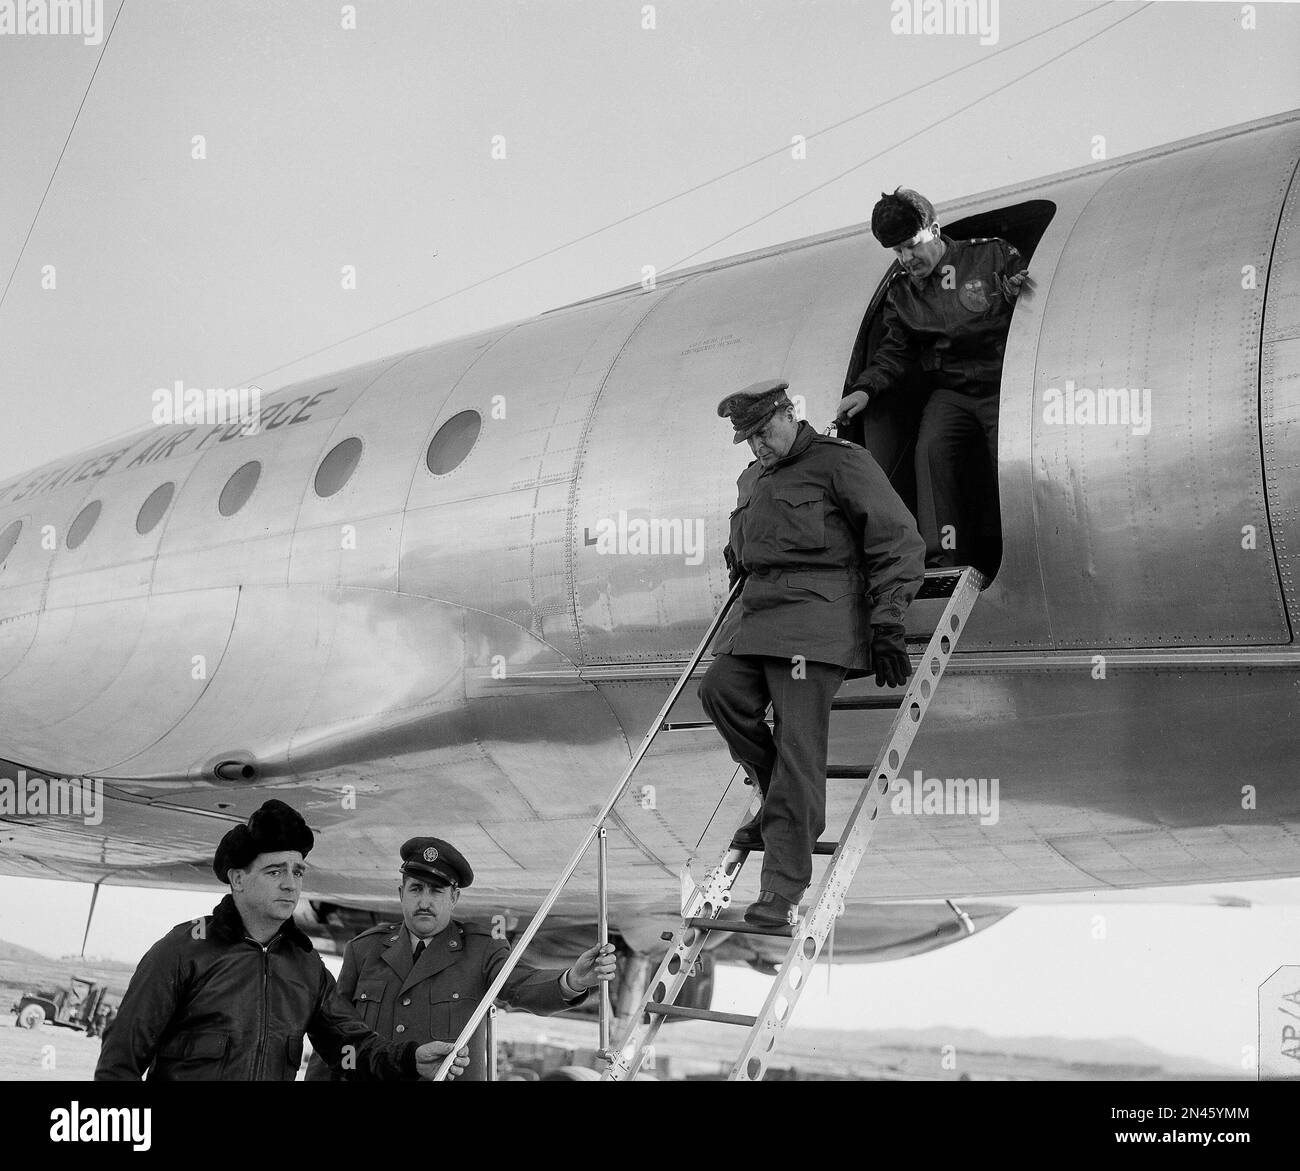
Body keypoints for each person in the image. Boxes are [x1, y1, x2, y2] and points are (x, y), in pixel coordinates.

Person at [703, 381, 925, 928]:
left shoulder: (841, 463)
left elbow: (897, 540)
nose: (757, 446)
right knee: (719, 693)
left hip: (816, 625)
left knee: (800, 750)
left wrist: (889, 622)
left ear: (788, 414)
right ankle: (780, 799)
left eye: (762, 432)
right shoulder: (751, 479)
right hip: (756, 621)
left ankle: (780, 891)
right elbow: (743, 555)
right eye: (747, 439)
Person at [95, 799, 469, 1081]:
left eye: (298, 871)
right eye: (275, 871)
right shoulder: (185, 950)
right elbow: (119, 1062)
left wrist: (410, 1059)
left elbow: (350, 1048)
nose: (291, 884)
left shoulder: (305, 968)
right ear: (238, 879)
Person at [304, 836, 617, 1081]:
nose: (424, 901)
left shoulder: (481, 950)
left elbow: (519, 986)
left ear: (454, 898)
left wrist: (572, 981)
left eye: (436, 891)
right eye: (416, 889)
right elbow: (333, 1038)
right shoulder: (364, 950)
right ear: (401, 893)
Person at [837, 188, 1031, 567]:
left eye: (912, 246)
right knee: (931, 452)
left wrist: (1015, 294)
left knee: (1010, 460)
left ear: (936, 231)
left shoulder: (991, 254)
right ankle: (946, 555)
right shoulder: (901, 293)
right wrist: (864, 389)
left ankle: (1026, 551)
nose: (907, 259)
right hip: (952, 391)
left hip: (1003, 387)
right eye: (898, 252)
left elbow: (1031, 310)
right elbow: (892, 353)